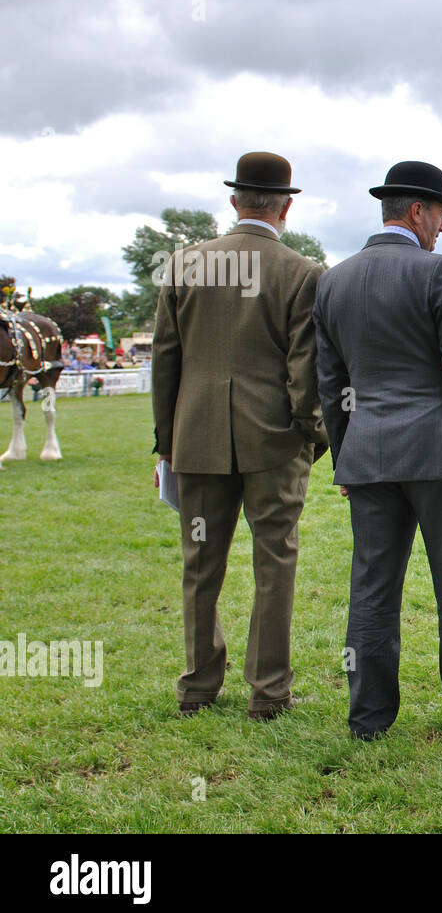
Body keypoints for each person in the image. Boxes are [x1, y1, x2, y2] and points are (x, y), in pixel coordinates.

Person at [314, 160, 442, 740]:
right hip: (437, 455)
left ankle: (368, 717)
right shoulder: (438, 272)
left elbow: (330, 382)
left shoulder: (333, 280)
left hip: (367, 454)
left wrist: (344, 455)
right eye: (441, 214)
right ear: (418, 211)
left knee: (371, 589)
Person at [151, 151, 328, 721]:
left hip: (195, 437)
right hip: (273, 440)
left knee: (201, 564)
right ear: (287, 206)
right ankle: (269, 690)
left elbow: (165, 363)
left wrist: (166, 440)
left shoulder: (183, 265)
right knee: (274, 561)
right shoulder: (301, 272)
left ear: (234, 201)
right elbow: (305, 371)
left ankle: (199, 684)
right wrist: (311, 435)